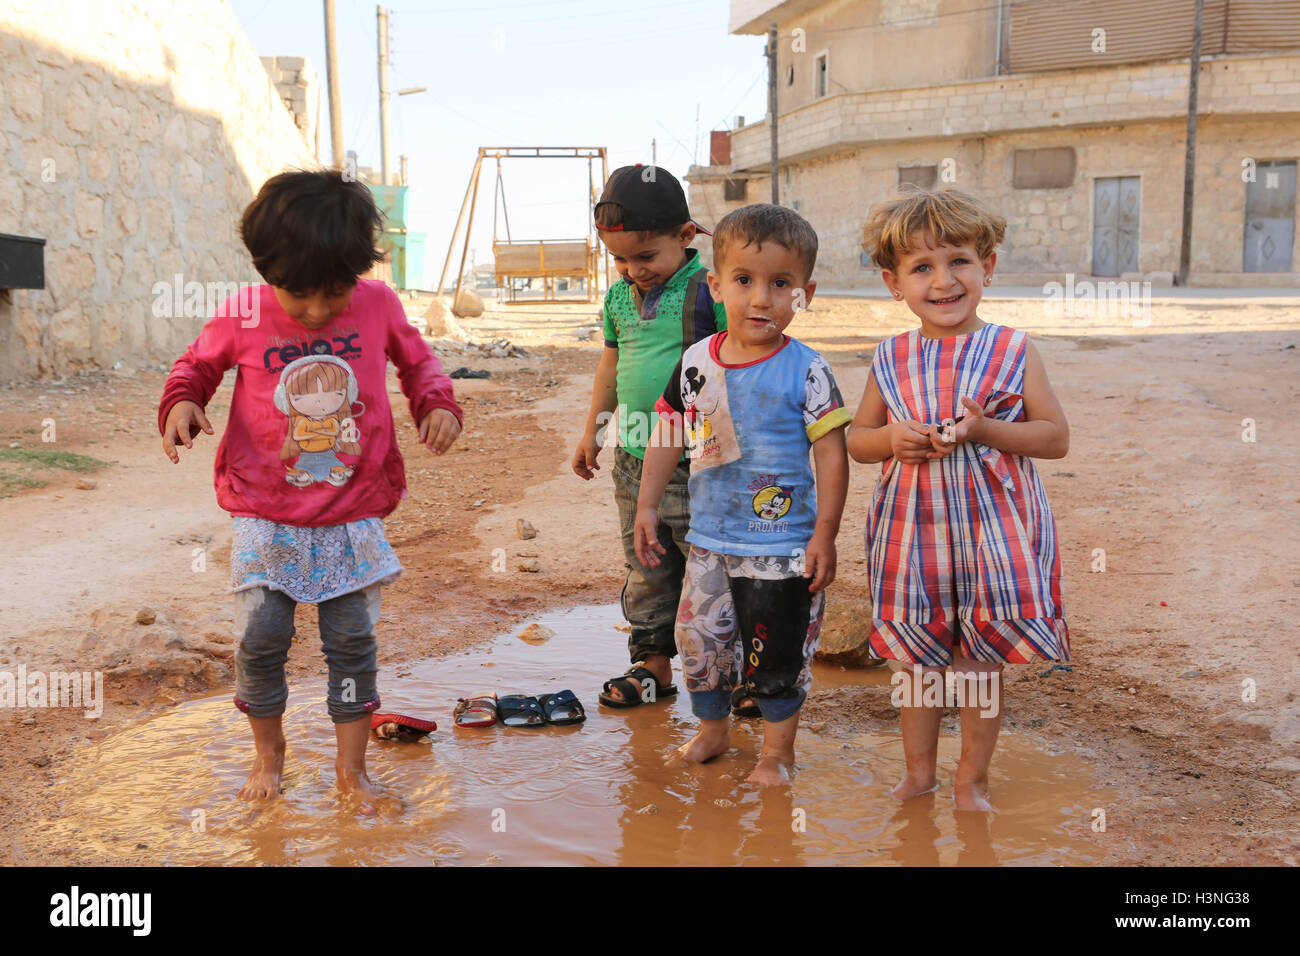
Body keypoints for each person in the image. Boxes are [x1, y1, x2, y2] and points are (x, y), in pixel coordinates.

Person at [157, 169, 463, 807]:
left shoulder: (378, 305)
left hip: (351, 513)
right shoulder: (244, 311)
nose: (319, 311)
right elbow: (197, 364)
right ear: (266, 269)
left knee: (351, 644)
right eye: (300, 295)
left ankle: (352, 771)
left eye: (334, 291)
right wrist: (183, 402)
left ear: (359, 270)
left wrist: (436, 403)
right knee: (261, 638)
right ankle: (269, 755)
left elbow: (419, 361)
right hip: (265, 513)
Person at [848, 188, 1070, 811]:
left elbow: (1055, 438)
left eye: (959, 262)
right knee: (915, 664)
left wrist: (986, 430)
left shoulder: (1013, 349)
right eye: (922, 268)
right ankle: (918, 775)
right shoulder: (891, 356)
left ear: (988, 267)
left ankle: (970, 779)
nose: (943, 281)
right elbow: (859, 443)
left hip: (993, 535)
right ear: (895, 283)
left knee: (979, 664)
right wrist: (894, 438)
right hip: (910, 534)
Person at [634, 203, 851, 786]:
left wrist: (824, 534)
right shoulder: (696, 362)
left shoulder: (807, 369)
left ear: (804, 294)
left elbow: (832, 454)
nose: (762, 299)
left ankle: (777, 754)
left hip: (781, 550)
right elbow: (669, 431)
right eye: (745, 281)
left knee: (776, 654)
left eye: (781, 285)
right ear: (716, 284)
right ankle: (712, 730)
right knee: (700, 647)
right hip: (708, 542)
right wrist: (647, 505)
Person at [571, 165, 729, 711]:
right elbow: (610, 368)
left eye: (645, 257)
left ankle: (733, 673)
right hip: (635, 456)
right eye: (619, 259)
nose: (633, 270)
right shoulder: (617, 300)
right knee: (646, 565)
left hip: (701, 461)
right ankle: (653, 667)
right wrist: (596, 428)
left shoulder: (712, 293)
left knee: (711, 569)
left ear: (686, 237)